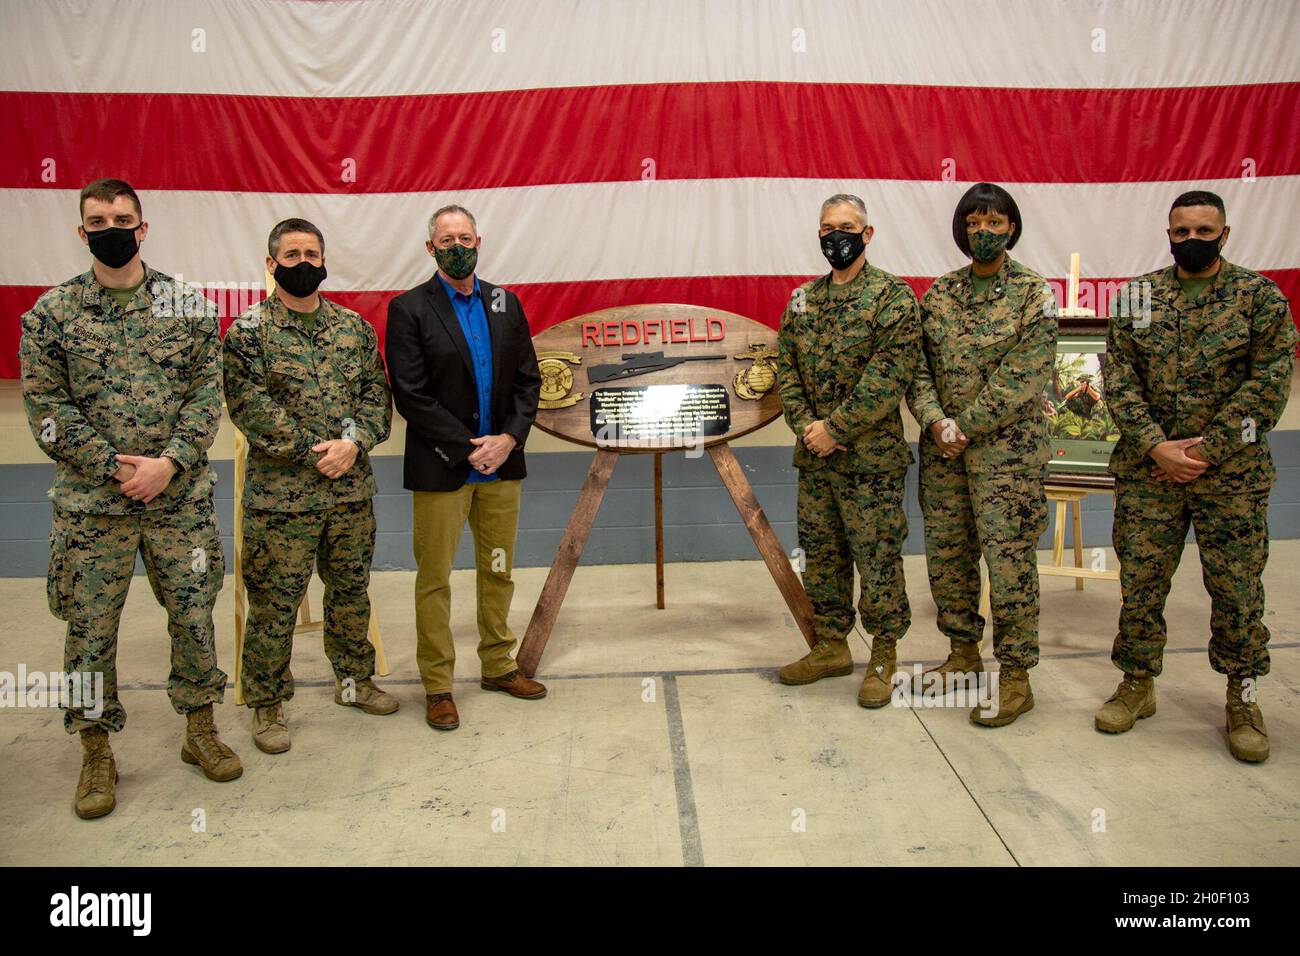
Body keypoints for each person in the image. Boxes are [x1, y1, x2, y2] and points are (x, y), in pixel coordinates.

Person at [20, 178, 240, 819]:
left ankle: (200, 730)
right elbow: (48, 411)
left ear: (143, 228)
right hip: (93, 510)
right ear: (80, 230)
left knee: (194, 617)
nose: (111, 227)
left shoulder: (186, 305)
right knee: (88, 633)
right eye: (97, 219)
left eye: (123, 218)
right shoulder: (53, 315)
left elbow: (208, 395)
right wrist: (117, 470)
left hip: (180, 502)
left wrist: (168, 465)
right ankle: (95, 751)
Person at [1098, 190, 1296, 762]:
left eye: (1203, 231)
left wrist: (1208, 449)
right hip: (1148, 473)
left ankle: (1243, 696)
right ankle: (1137, 684)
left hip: (1231, 478)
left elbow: (1268, 386)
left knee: (1236, 593)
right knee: (1140, 585)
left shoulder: (1260, 299)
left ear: (1225, 234)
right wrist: (1156, 445)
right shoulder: (1137, 296)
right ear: (1168, 232)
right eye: (1180, 231)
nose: (1191, 241)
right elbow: (1119, 379)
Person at [223, 218, 397, 753]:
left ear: (324, 262)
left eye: (312, 254)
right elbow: (251, 408)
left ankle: (353, 681)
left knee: (349, 593)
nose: (304, 263)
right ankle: (268, 704)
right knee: (275, 603)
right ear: (272, 265)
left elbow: (376, 400)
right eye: (292, 255)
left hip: (349, 493)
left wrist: (351, 443)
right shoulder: (247, 333)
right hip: (281, 501)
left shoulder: (354, 329)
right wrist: (312, 451)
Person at [386, 205, 543, 731]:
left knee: (497, 569)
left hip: (502, 464)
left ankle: (499, 663)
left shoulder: (506, 303)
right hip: (442, 466)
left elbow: (528, 381)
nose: (458, 245)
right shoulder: (409, 308)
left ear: (480, 241)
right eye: (446, 239)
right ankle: (437, 685)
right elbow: (410, 393)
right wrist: (467, 446)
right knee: (435, 579)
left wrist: (507, 439)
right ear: (431, 249)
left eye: (466, 237)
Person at [907, 183, 1057, 726]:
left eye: (994, 223)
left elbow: (1024, 373)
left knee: (1009, 563)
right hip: (944, 453)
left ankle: (1016, 677)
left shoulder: (1035, 294)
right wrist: (934, 420)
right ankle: (962, 655)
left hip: (1007, 458)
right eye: (974, 224)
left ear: (1012, 228)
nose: (984, 233)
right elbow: (917, 368)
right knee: (949, 558)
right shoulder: (939, 294)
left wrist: (965, 425)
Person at [774, 194, 921, 707]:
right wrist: (807, 426)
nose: (836, 235)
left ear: (868, 233)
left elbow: (888, 378)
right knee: (822, 556)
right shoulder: (802, 300)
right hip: (814, 456)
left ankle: (883, 653)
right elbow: (784, 368)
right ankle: (832, 645)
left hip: (870, 461)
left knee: (877, 558)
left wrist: (836, 429)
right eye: (827, 228)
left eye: (846, 226)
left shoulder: (893, 299)